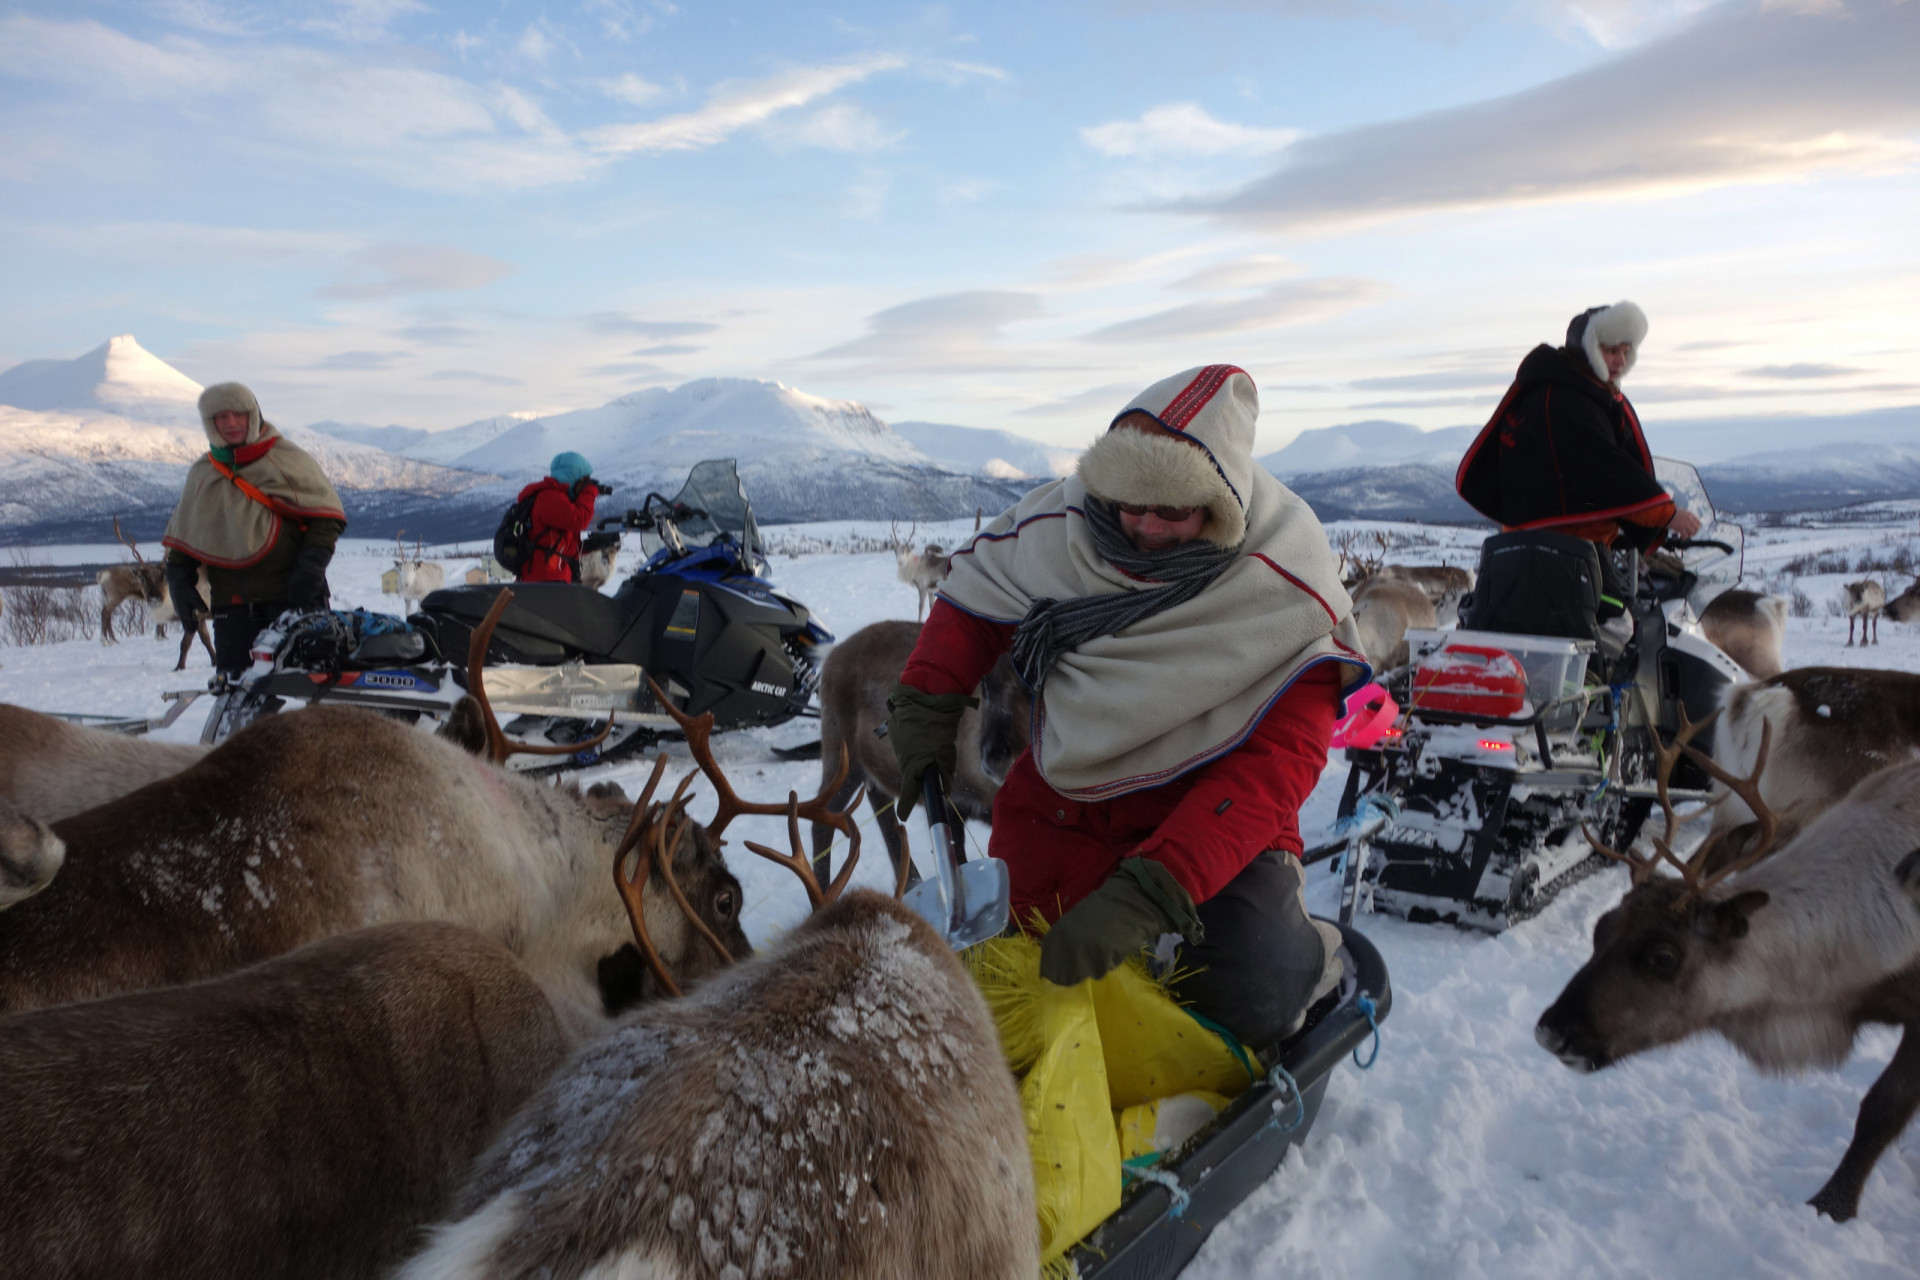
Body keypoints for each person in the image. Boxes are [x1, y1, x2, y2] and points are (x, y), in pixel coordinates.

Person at [885, 365, 1369, 1052]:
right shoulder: (1067, 520)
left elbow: (1273, 768)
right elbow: (974, 601)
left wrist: (1154, 890)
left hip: (1213, 813)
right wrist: (928, 700)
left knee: (1247, 986)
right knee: (1009, 986)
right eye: (1126, 504)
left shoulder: (1283, 587)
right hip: (1068, 793)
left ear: (1221, 502)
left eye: (1170, 509)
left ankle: (1315, 962)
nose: (1141, 526)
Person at [162, 382, 346, 675]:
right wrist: (178, 574)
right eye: (221, 417)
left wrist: (310, 568)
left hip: (293, 600)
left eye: (239, 414)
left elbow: (327, 516)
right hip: (232, 607)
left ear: (254, 415)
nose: (231, 423)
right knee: (238, 691)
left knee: (306, 688)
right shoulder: (204, 471)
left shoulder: (286, 458)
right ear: (211, 423)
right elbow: (190, 527)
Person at [516, 452, 611, 584]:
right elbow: (579, 520)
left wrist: (588, 546)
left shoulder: (561, 501)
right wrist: (590, 492)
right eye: (585, 480)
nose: (586, 486)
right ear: (573, 477)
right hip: (545, 581)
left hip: (553, 577)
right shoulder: (549, 497)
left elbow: (560, 547)